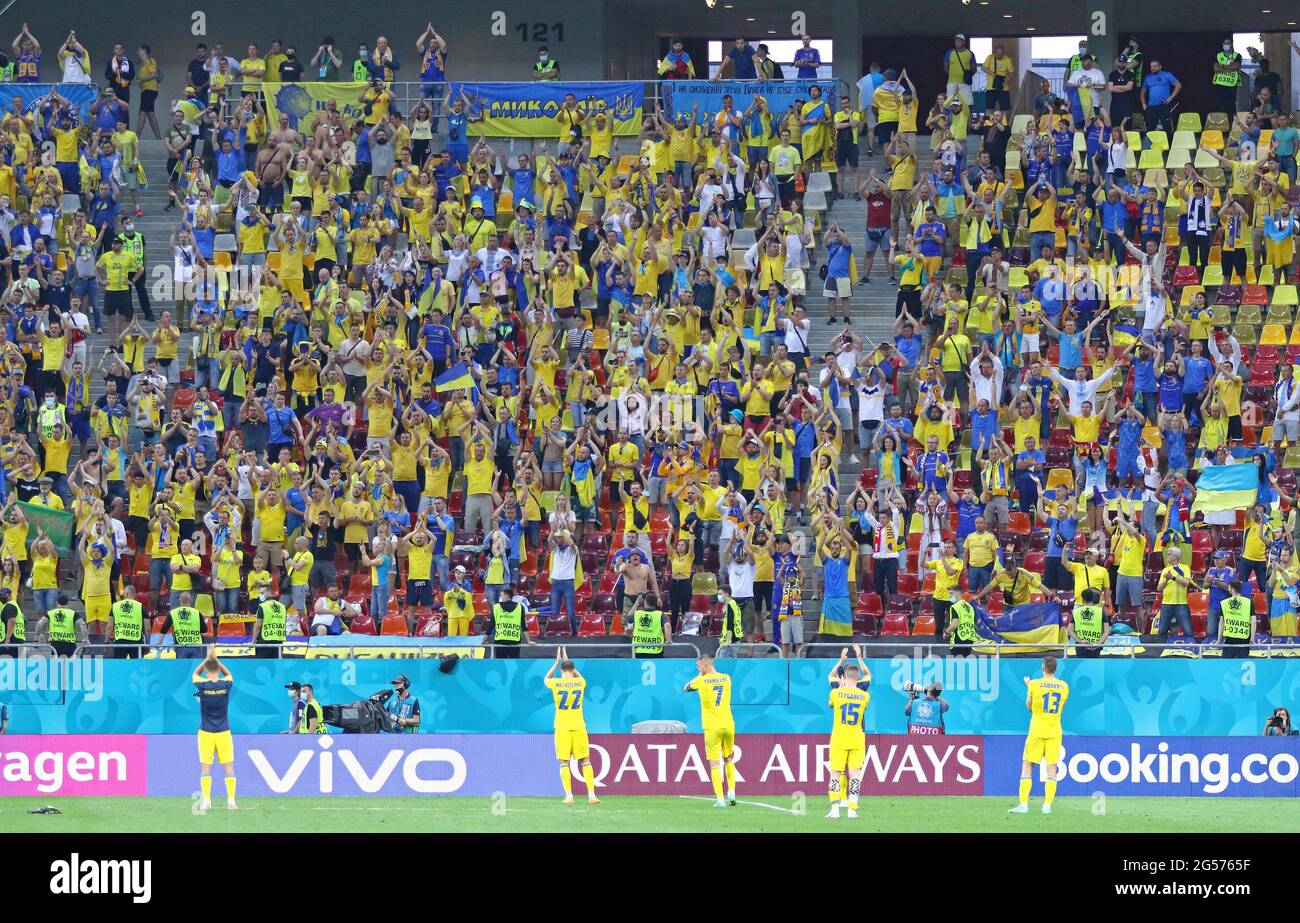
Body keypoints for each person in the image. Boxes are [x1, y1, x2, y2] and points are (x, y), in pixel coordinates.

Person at [1009, 656, 1068, 815]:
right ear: (1055, 669)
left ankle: (1023, 805)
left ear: (1043, 668)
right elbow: (1060, 706)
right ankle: (1047, 806)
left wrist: (1029, 688)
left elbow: (1030, 708)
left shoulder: (1034, 684)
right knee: (1051, 768)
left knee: (1027, 765)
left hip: (1036, 731)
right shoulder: (1064, 686)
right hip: (1054, 731)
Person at [544, 647, 599, 805]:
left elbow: (546, 678)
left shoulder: (556, 683)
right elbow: (578, 676)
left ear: (562, 670)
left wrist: (556, 662)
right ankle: (591, 795)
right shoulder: (580, 682)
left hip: (562, 727)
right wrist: (569, 662)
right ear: (573, 669)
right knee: (586, 760)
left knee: (564, 762)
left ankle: (569, 796)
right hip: (579, 726)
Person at [684, 654, 737, 807]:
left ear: (705, 666)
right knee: (728, 758)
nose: (698, 669)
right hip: (728, 724)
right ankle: (732, 792)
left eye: (699, 666)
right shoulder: (727, 678)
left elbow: (686, 688)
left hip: (712, 726)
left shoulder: (700, 680)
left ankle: (720, 799)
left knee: (714, 763)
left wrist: (700, 675)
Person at [826, 646, 870, 819]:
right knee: (855, 776)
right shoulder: (865, 696)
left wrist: (841, 661)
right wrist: (859, 657)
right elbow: (868, 675)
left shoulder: (835, 693)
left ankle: (835, 809)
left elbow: (830, 678)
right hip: (857, 739)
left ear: (843, 676)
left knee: (835, 774)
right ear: (857, 677)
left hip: (839, 739)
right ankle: (852, 809)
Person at [193, 645, 237, 812]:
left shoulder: (202, 686)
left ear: (206, 670)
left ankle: (206, 801)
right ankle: (231, 801)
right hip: (224, 731)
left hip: (206, 732)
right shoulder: (225, 684)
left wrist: (207, 659)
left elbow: (195, 674)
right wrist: (216, 659)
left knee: (205, 768)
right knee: (229, 767)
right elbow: (229, 675)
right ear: (218, 669)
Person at [1218, 579, 1255, 659]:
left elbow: (1221, 623)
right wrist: (1252, 638)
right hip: (1244, 639)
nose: (1228, 589)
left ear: (1232, 588)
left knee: (1226, 665)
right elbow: (1253, 622)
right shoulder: (1249, 602)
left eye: (1229, 587)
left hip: (1230, 639)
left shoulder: (1224, 603)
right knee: (1242, 665)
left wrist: (1219, 640)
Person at [1068, 587, 1109, 657]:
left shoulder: (1075, 612)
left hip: (1080, 647)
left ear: (1083, 599)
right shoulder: (1101, 612)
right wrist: (1098, 644)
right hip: (1096, 648)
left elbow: (1070, 631)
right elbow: (1106, 631)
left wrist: (1081, 642)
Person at [628, 594, 672, 658]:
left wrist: (636, 604)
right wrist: (668, 640)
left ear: (645, 603)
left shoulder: (637, 613)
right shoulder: (661, 614)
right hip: (656, 651)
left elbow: (628, 618)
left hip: (639, 650)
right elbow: (667, 625)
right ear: (656, 603)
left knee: (638, 668)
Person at [252, 588, 287, 659]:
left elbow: (257, 626)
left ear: (269, 592)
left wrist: (253, 641)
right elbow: (284, 622)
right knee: (277, 667)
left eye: (262, 593)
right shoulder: (283, 606)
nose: (260, 595)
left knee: (262, 667)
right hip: (278, 640)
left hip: (264, 641)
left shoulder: (263, 606)